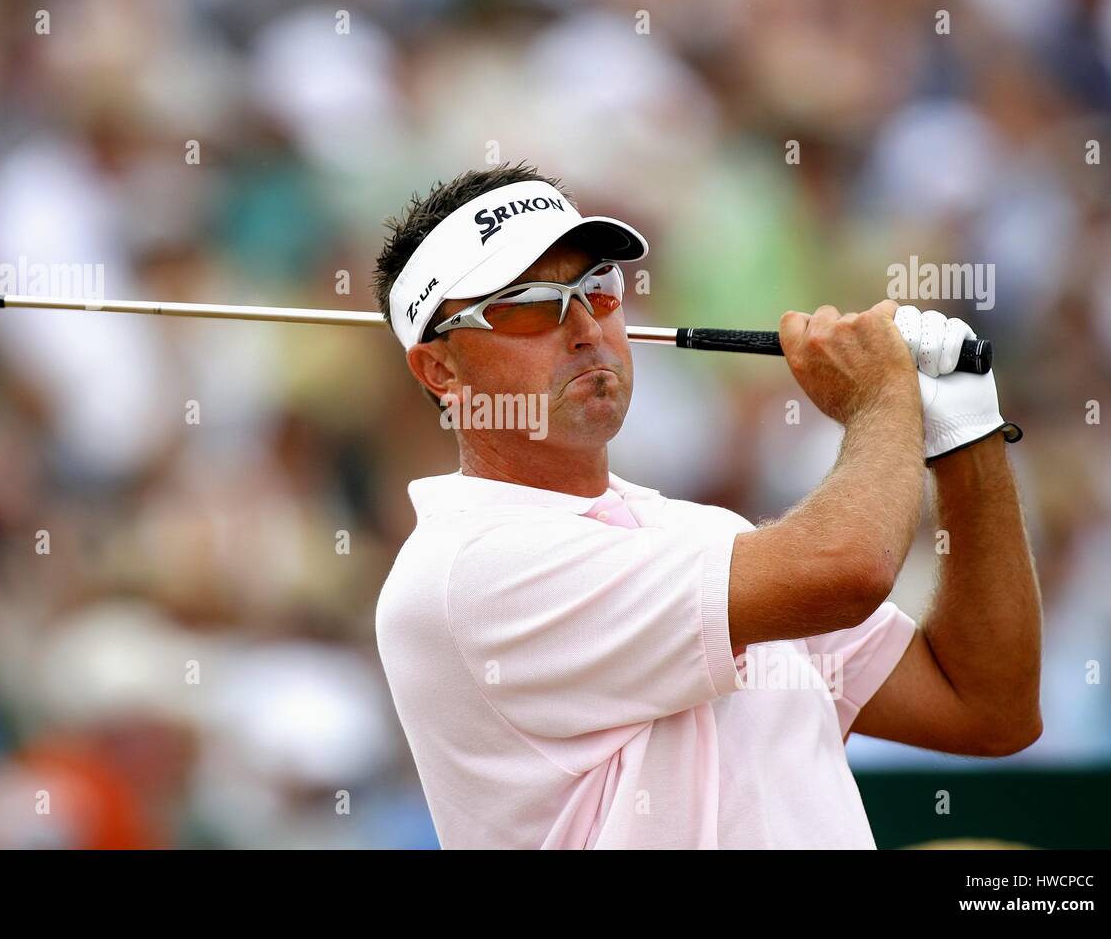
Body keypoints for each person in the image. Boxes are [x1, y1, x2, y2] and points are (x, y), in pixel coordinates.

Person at [371, 163, 1042, 849]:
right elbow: (852, 566)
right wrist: (882, 398)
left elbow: (987, 707)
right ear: (441, 371)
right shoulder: (464, 571)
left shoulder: (702, 533)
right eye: (530, 303)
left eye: (596, 289)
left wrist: (967, 436)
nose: (584, 328)